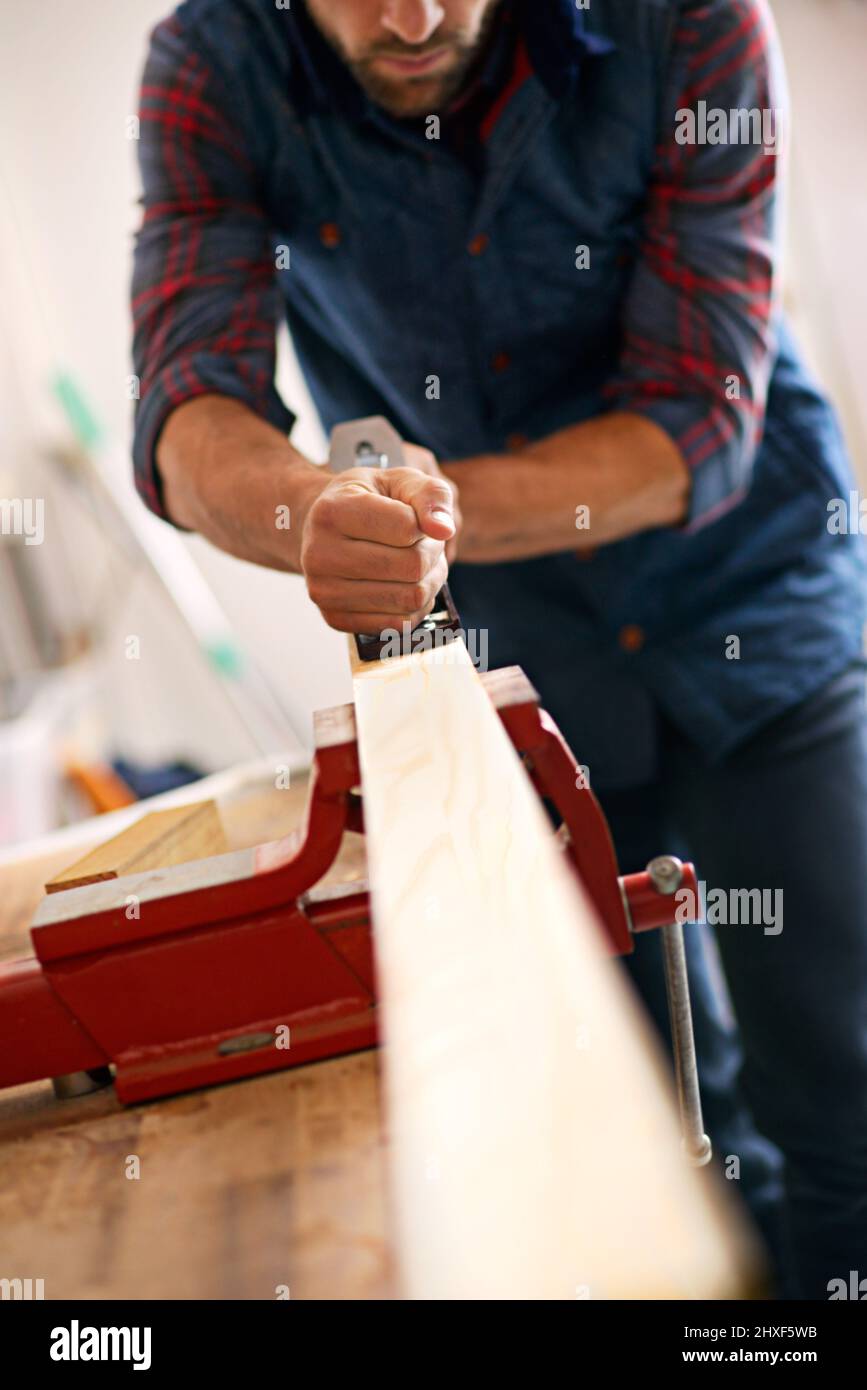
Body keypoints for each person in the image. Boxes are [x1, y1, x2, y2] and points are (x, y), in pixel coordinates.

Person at [131, 0, 867, 1298]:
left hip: (759, 601)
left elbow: (698, 422)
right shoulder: (213, 61)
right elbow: (191, 399)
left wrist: (431, 511)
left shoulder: (692, 22)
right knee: (645, 1115)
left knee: (850, 1106)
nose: (412, 17)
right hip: (534, 663)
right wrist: (313, 516)